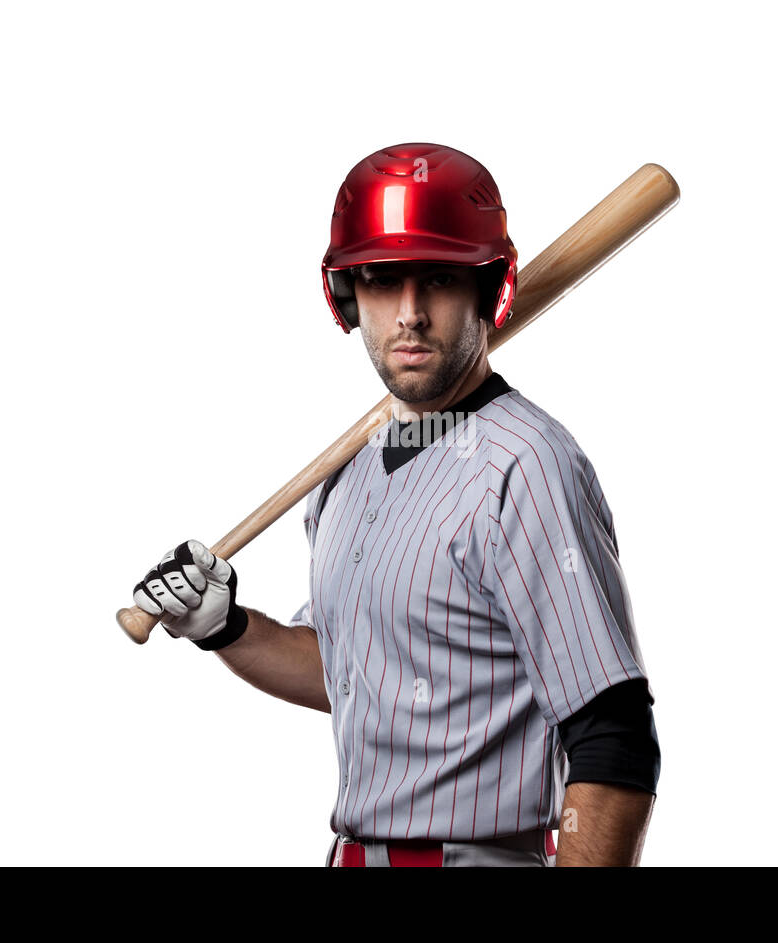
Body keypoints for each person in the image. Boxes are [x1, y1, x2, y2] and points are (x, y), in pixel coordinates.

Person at [131, 143, 660, 867]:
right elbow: (352, 671)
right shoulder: (346, 472)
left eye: (439, 278)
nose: (409, 314)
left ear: (487, 289)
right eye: (382, 281)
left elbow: (613, 738)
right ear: (348, 296)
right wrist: (225, 628)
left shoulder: (528, 464)